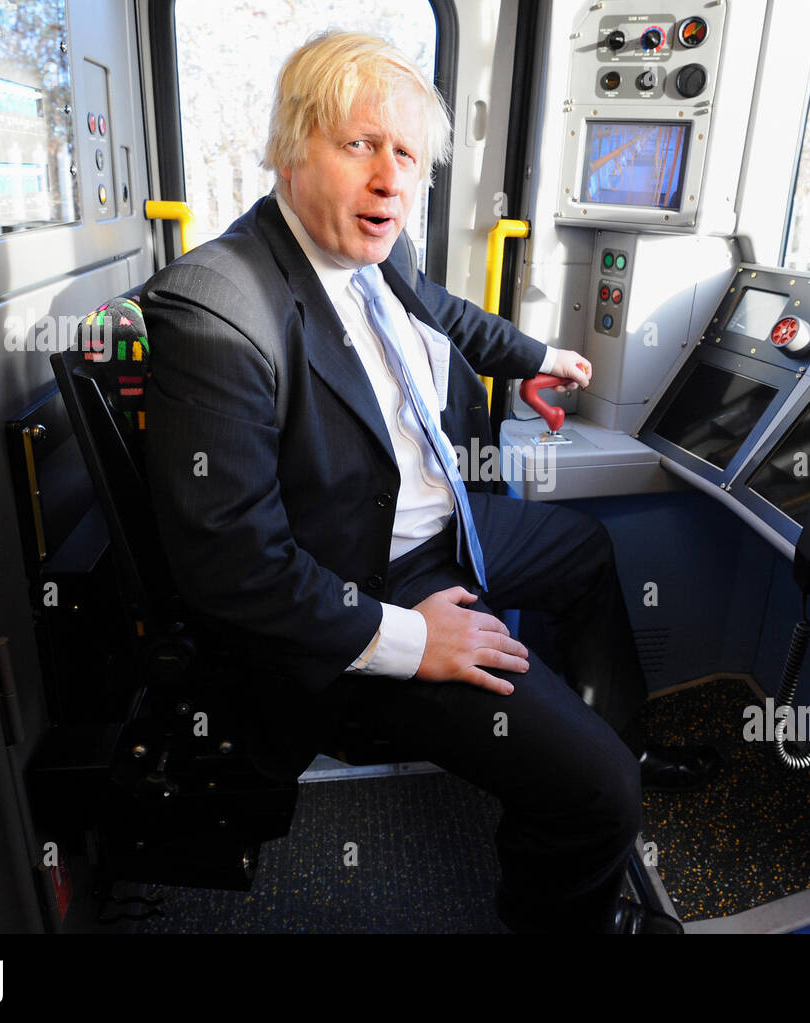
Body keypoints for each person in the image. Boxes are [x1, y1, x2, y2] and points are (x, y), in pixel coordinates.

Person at [142, 31, 708, 933]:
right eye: (360, 144)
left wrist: (532, 359)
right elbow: (231, 567)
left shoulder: (379, 256)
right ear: (292, 148)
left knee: (586, 549)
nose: (390, 180)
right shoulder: (218, 305)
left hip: (443, 528)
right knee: (596, 797)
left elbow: (444, 314)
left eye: (407, 155)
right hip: (362, 586)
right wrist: (411, 637)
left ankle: (621, 742)